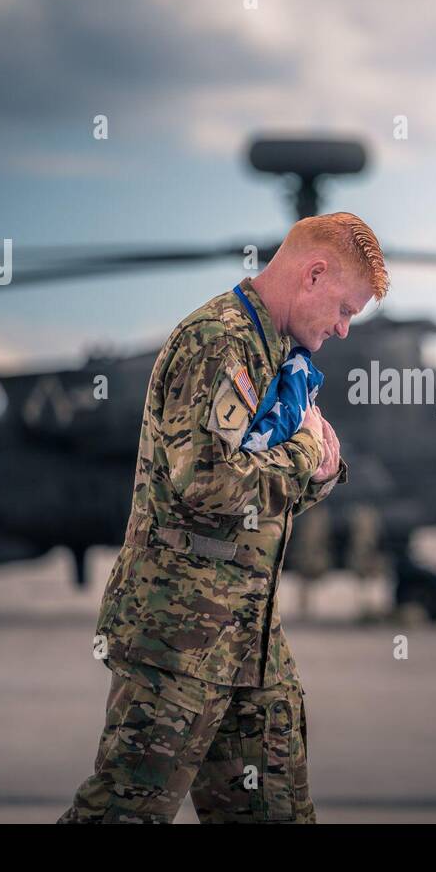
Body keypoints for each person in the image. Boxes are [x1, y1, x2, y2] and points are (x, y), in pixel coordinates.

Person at [59, 212, 388, 823]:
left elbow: (259, 500)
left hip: (249, 641)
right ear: (314, 275)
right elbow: (206, 484)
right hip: (178, 639)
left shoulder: (279, 361)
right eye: (344, 309)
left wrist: (313, 472)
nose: (343, 329)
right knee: (124, 814)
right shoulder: (219, 343)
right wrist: (309, 453)